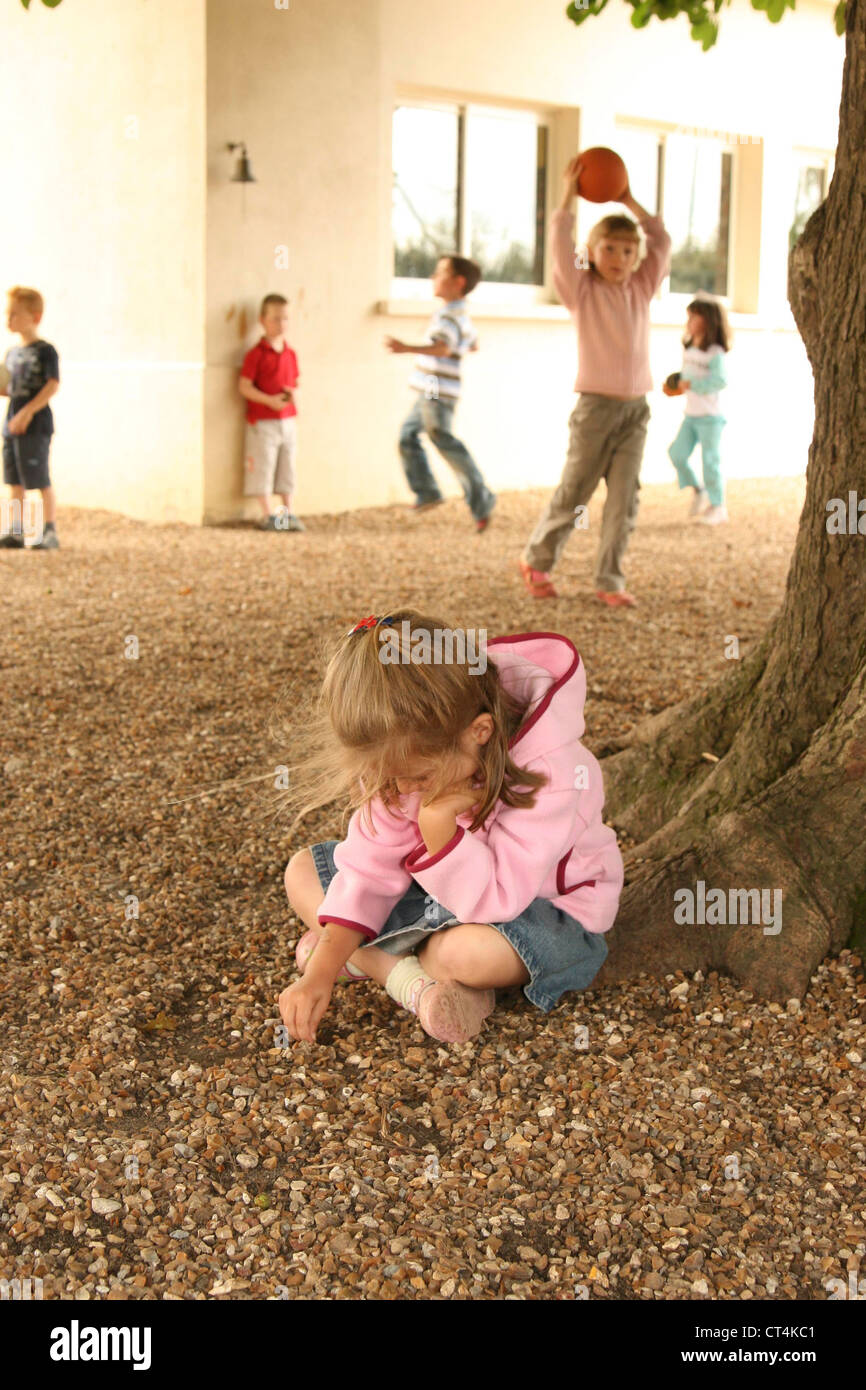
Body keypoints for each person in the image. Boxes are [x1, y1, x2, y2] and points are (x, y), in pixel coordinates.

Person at [277, 610, 623, 1046]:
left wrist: (437, 825)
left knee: (460, 954)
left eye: (418, 778)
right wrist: (319, 977)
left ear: (479, 732)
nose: (404, 789)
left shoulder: (550, 770)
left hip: (541, 914)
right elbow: (368, 872)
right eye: (391, 777)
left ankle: (381, 964)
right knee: (302, 871)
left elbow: (499, 898)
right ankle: (411, 979)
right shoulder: (403, 760)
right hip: (442, 897)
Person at [519, 156, 671, 605]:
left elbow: (660, 238)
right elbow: (561, 240)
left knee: (625, 501)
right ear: (594, 250)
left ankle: (610, 581)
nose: (619, 259)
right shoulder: (582, 291)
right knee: (576, 493)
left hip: (635, 411)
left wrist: (627, 199)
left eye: (628, 251)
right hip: (595, 410)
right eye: (609, 249)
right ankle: (537, 559)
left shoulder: (642, 288)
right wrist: (568, 193)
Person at [386, 256, 496, 533]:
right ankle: (428, 492)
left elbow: (444, 348)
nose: (433, 277)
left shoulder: (449, 316)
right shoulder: (458, 313)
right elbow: (473, 344)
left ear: (458, 282)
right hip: (430, 388)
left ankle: (482, 501)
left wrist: (406, 348)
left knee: (444, 440)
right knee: (407, 436)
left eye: (440, 273)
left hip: (436, 390)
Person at [1, 287, 61, 550]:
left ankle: (49, 531)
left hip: (35, 426)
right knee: (14, 481)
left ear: (34, 317)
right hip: (11, 426)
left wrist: (28, 411)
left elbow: (52, 385)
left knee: (39, 478)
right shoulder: (11, 355)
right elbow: (8, 389)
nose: (8, 318)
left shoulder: (46, 351)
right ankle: (16, 531)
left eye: (14, 313)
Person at [239, 293, 305, 532]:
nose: (281, 324)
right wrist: (268, 400)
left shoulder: (291, 354)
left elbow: (294, 383)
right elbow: (244, 386)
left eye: (285, 319)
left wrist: (289, 395)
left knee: (287, 465)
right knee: (264, 465)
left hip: (286, 419)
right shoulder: (255, 354)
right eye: (276, 319)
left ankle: (287, 512)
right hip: (262, 420)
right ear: (263, 320)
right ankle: (268, 514)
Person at [665, 296, 731, 525]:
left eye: (694, 316)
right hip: (691, 415)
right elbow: (687, 377)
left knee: (710, 462)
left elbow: (720, 381)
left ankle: (718, 506)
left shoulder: (715, 352)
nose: (690, 320)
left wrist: (694, 386)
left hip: (710, 417)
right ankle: (698, 489)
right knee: (677, 454)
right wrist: (676, 385)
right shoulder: (690, 347)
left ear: (709, 320)